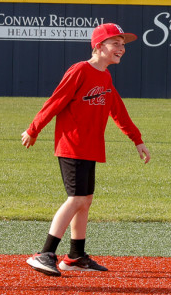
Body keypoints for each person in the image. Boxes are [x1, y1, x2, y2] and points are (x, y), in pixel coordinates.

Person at [21, 23, 150, 276]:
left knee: (85, 201)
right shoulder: (81, 70)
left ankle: (75, 256)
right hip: (72, 145)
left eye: (123, 44)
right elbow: (56, 100)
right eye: (116, 43)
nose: (121, 48)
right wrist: (33, 129)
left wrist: (137, 139)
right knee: (77, 198)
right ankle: (45, 253)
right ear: (98, 46)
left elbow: (117, 109)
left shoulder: (105, 76)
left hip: (90, 147)